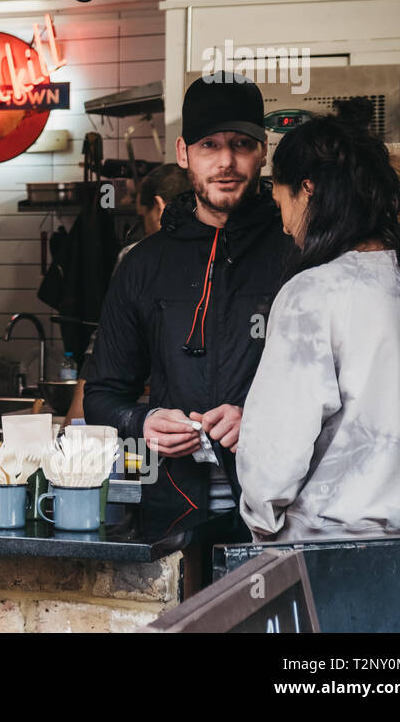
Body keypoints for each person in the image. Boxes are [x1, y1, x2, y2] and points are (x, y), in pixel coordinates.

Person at [84, 73, 295, 529]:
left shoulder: (297, 252)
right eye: (209, 145)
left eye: (241, 144)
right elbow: (101, 395)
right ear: (183, 153)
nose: (226, 161)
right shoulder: (143, 265)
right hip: (170, 513)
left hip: (279, 514)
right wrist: (143, 421)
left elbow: (342, 391)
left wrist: (260, 420)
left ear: (263, 152)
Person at [237, 116, 400, 541]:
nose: (283, 223)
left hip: (334, 554)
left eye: (279, 197)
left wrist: (262, 524)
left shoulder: (313, 293)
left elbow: (274, 456)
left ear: (307, 190)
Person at [67, 163, 191, 420]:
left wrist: (78, 415)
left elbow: (103, 341)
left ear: (158, 207)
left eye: (142, 216)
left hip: (150, 412)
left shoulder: (136, 257)